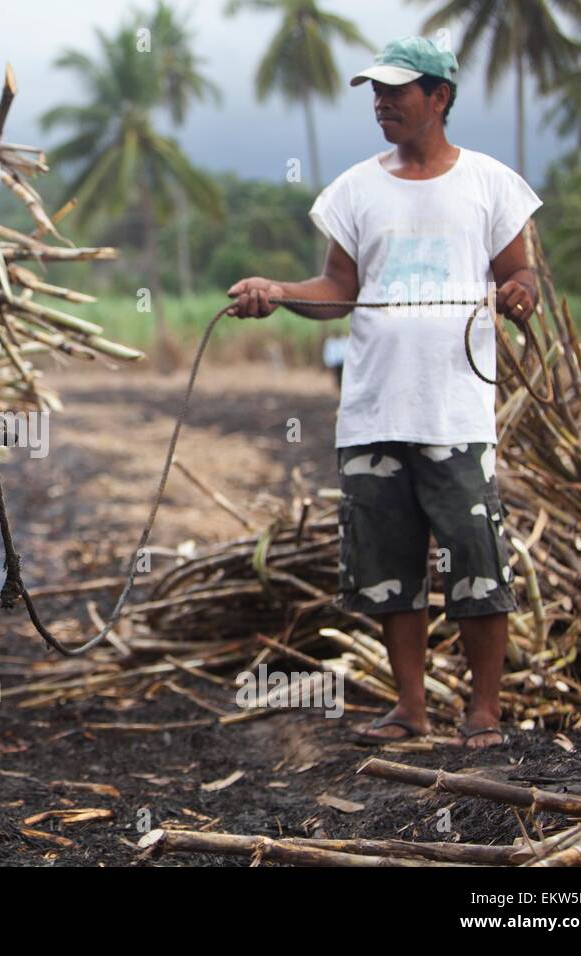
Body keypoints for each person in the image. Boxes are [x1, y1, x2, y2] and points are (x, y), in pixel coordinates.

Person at [228, 36, 542, 749]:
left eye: (397, 90)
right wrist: (278, 291)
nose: (382, 102)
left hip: (457, 410)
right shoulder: (354, 189)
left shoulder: (491, 183)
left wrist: (520, 294)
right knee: (387, 567)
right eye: (375, 91)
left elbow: (521, 274)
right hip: (373, 412)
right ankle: (410, 709)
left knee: (475, 558)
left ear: (440, 97)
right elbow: (340, 290)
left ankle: (483, 713)